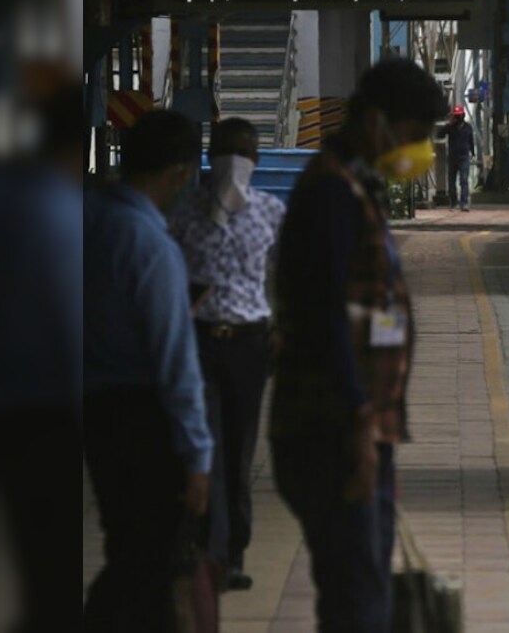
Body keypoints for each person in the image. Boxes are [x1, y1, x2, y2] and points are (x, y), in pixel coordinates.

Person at [270, 58, 445, 632]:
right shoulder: (331, 195)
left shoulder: (353, 185)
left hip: (360, 426)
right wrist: (358, 423)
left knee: (361, 584)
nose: (419, 150)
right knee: (358, 594)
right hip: (334, 431)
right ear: (376, 122)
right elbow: (324, 320)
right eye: (415, 135)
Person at [83, 110, 214, 632]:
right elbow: (175, 363)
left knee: (127, 550)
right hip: (145, 421)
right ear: (179, 172)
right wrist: (198, 454)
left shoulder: (88, 220)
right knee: (148, 566)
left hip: (98, 412)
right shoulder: (151, 246)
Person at [169, 117, 286, 591]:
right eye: (225, 153)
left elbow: (285, 275)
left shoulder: (270, 212)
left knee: (238, 452)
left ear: (255, 161)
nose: (234, 164)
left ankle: (232, 551)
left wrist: (280, 328)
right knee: (206, 450)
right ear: (209, 157)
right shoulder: (185, 213)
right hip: (198, 342)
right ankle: (208, 551)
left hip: (249, 344)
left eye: (244, 153)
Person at [0, 82, 83, 633]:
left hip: (6, 404)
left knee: (31, 552)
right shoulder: (57, 212)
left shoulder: (6, 197)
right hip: (48, 412)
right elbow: (66, 322)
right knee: (54, 566)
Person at [438, 105, 476, 211]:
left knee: (464, 180)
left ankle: (464, 203)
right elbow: (439, 135)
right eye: (456, 116)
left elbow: (471, 141)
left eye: (459, 116)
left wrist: (473, 153)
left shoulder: (468, 127)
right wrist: (449, 124)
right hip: (452, 157)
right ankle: (453, 202)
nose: (457, 118)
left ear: (463, 115)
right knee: (452, 180)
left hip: (464, 157)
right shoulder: (450, 127)